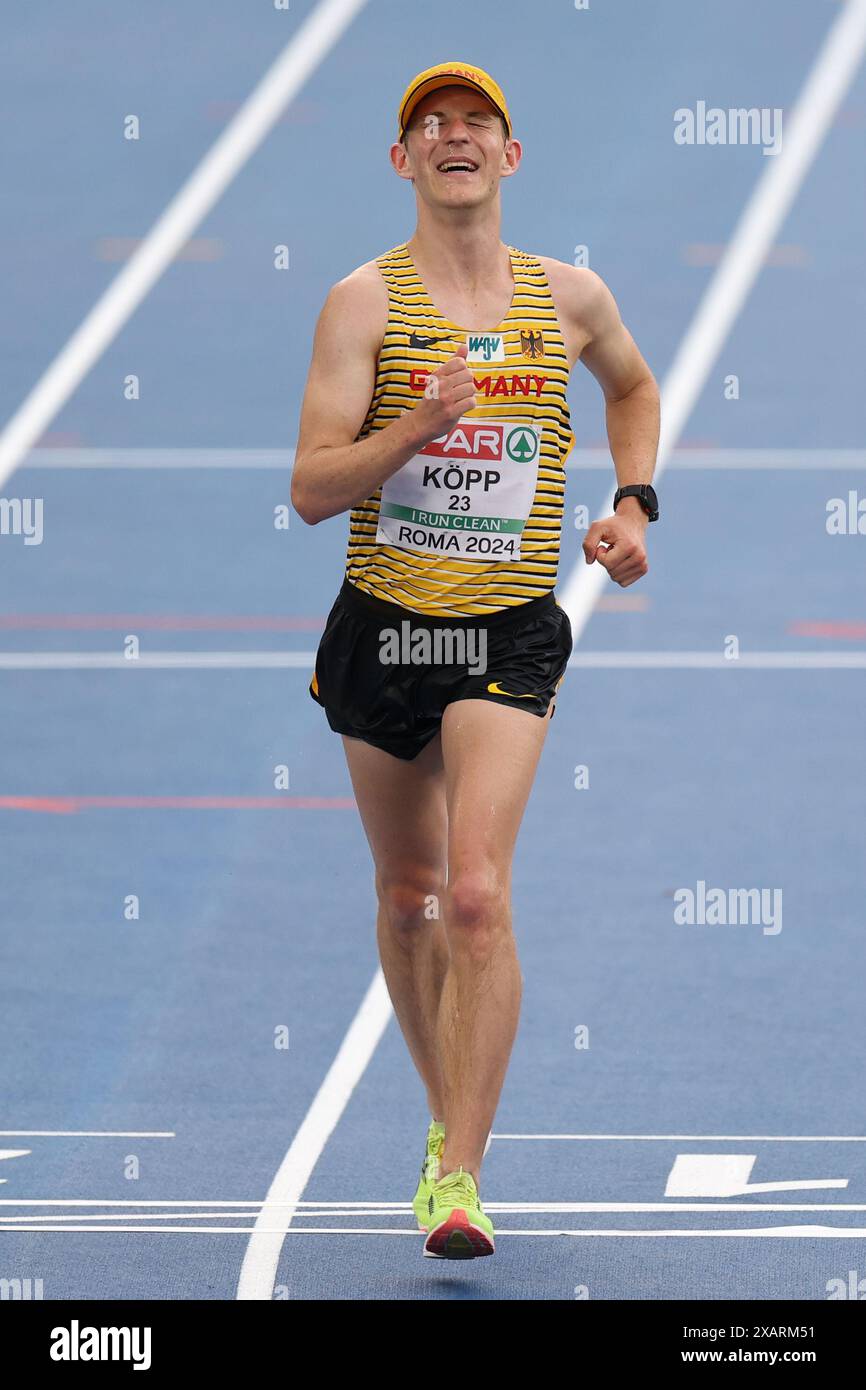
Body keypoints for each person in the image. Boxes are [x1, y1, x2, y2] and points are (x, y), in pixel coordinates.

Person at [292, 61, 660, 1259]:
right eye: (429, 128)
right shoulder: (362, 304)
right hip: (387, 626)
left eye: (476, 125)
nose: (454, 138)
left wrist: (632, 504)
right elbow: (308, 491)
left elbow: (634, 386)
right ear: (402, 164)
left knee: (477, 892)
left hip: (504, 628)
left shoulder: (570, 298)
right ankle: (441, 1122)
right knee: (407, 899)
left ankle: (458, 1170)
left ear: (509, 158)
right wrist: (414, 426)